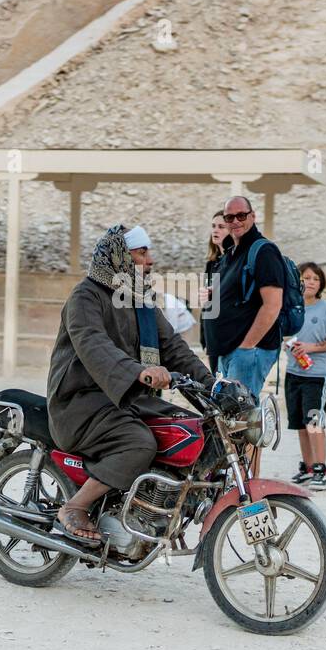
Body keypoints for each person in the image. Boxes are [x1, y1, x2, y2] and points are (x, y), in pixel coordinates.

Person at [47, 224, 214, 543]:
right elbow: (93, 344)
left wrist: (213, 386)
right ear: (119, 257)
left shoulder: (141, 300)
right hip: (82, 403)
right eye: (141, 253)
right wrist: (137, 371)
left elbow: (175, 349)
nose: (150, 260)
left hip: (128, 399)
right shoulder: (86, 296)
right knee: (139, 442)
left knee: (188, 428)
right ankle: (75, 506)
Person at [211, 196, 284, 397]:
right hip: (229, 350)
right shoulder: (233, 253)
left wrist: (246, 346)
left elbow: (272, 304)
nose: (235, 221)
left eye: (241, 215)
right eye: (230, 217)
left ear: (252, 216)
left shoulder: (263, 251)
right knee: (231, 419)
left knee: (242, 417)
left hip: (248, 351)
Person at [286, 262, 326, 491]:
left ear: (321, 284)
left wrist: (311, 347)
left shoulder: (325, 309)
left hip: (316, 375)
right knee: (300, 424)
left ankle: (321, 468)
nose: (310, 282)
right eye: (306, 277)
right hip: (293, 373)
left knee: (314, 422)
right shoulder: (290, 307)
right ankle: (308, 467)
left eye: (315, 279)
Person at [198, 210, 229, 375]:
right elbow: (208, 303)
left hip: (229, 336)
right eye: (213, 226)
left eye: (221, 227)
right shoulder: (212, 264)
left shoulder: (235, 262)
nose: (215, 231)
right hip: (212, 337)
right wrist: (204, 335)